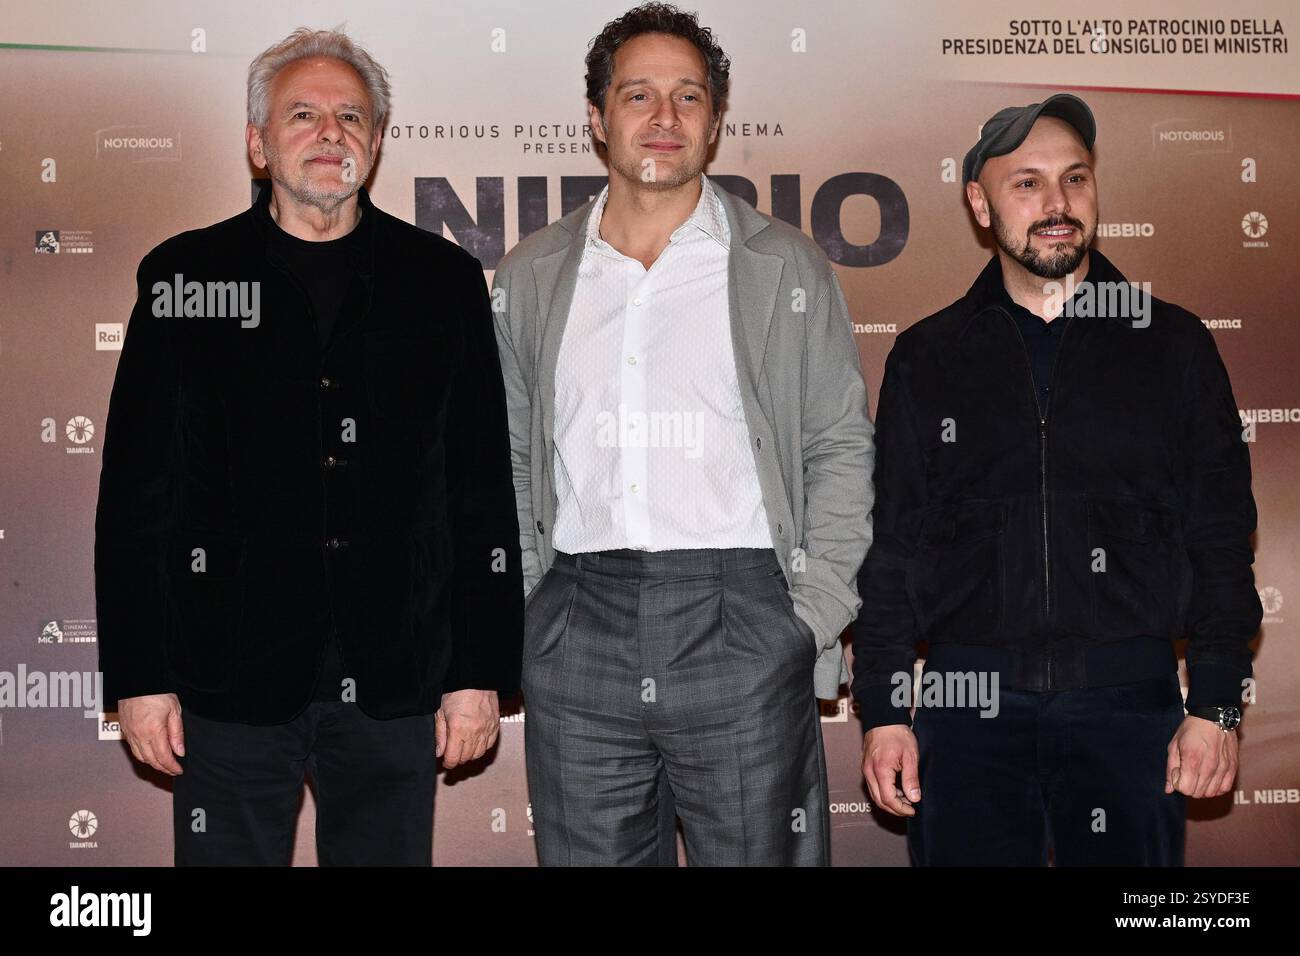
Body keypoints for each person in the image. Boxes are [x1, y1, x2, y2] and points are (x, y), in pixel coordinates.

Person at [94, 27, 523, 866]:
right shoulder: (186, 277)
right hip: (226, 679)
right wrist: (139, 677)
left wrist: (477, 673)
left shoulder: (441, 281)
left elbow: (477, 487)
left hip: (396, 680)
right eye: (303, 115)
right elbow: (139, 495)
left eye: (351, 117)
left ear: (376, 140)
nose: (331, 133)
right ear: (258, 145)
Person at [492, 2, 874, 865]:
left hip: (744, 616)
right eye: (638, 95)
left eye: (688, 97)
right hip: (576, 625)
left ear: (714, 122)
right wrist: (532, 611)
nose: (663, 118)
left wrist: (804, 622)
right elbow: (511, 459)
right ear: (597, 119)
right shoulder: (532, 276)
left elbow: (839, 448)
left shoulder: (785, 267)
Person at [852, 93, 1261, 866]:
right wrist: (883, 708)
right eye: (1027, 183)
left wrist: (1214, 702)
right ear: (980, 202)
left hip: (1130, 713)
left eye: (1075, 180)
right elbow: (892, 549)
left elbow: (1218, 537)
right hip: (965, 713)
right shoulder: (929, 357)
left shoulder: (1170, 344)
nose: (1057, 204)